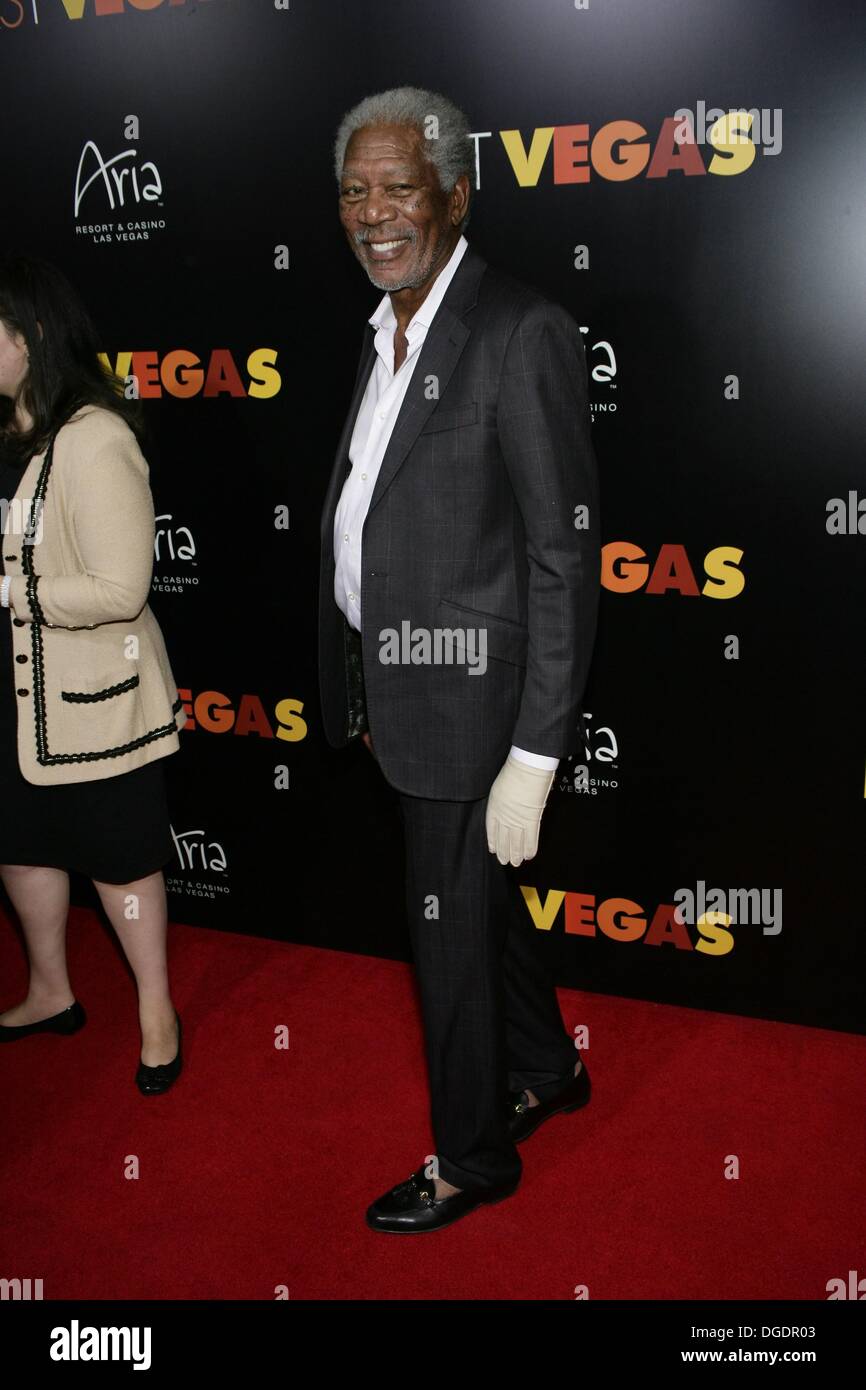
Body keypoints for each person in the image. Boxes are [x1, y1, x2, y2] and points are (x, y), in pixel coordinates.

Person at [319, 87, 601, 1232]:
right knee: (480, 903)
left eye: (397, 189)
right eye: (352, 193)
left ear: (453, 195)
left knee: (442, 935)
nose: (373, 214)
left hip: (470, 710)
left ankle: (472, 1158)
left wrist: (534, 750)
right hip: (396, 685)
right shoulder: (387, 325)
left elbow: (560, 557)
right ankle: (548, 1062)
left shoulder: (516, 330)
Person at [0, 254, 186, 1095]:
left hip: (91, 695)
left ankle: (157, 1013)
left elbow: (122, 587)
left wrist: (9, 589)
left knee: (119, 857)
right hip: (12, 693)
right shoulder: (11, 432)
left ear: (33, 334)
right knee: (18, 839)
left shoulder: (97, 436)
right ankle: (50, 989)